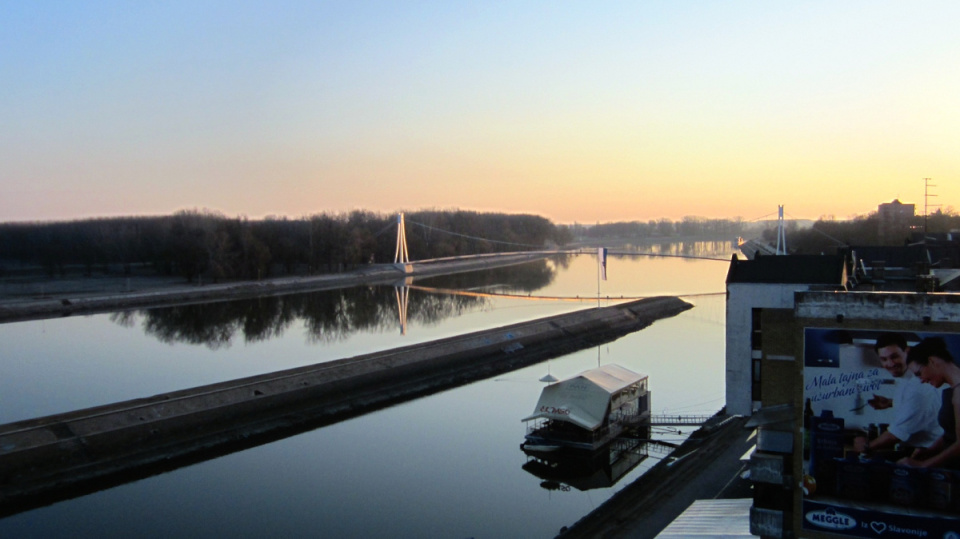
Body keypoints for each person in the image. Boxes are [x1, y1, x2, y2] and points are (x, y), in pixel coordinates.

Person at [853, 332, 942, 454]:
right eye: (884, 359)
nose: (890, 364)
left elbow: (895, 435)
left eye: (894, 356)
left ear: (907, 351)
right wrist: (890, 402)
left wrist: (865, 447)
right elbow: (914, 405)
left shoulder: (918, 387)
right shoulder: (906, 379)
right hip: (917, 451)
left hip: (927, 454)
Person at [898, 337, 960, 469]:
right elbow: (952, 434)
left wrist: (922, 465)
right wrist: (931, 449)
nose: (921, 380)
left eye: (919, 373)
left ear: (931, 361)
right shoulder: (952, 390)